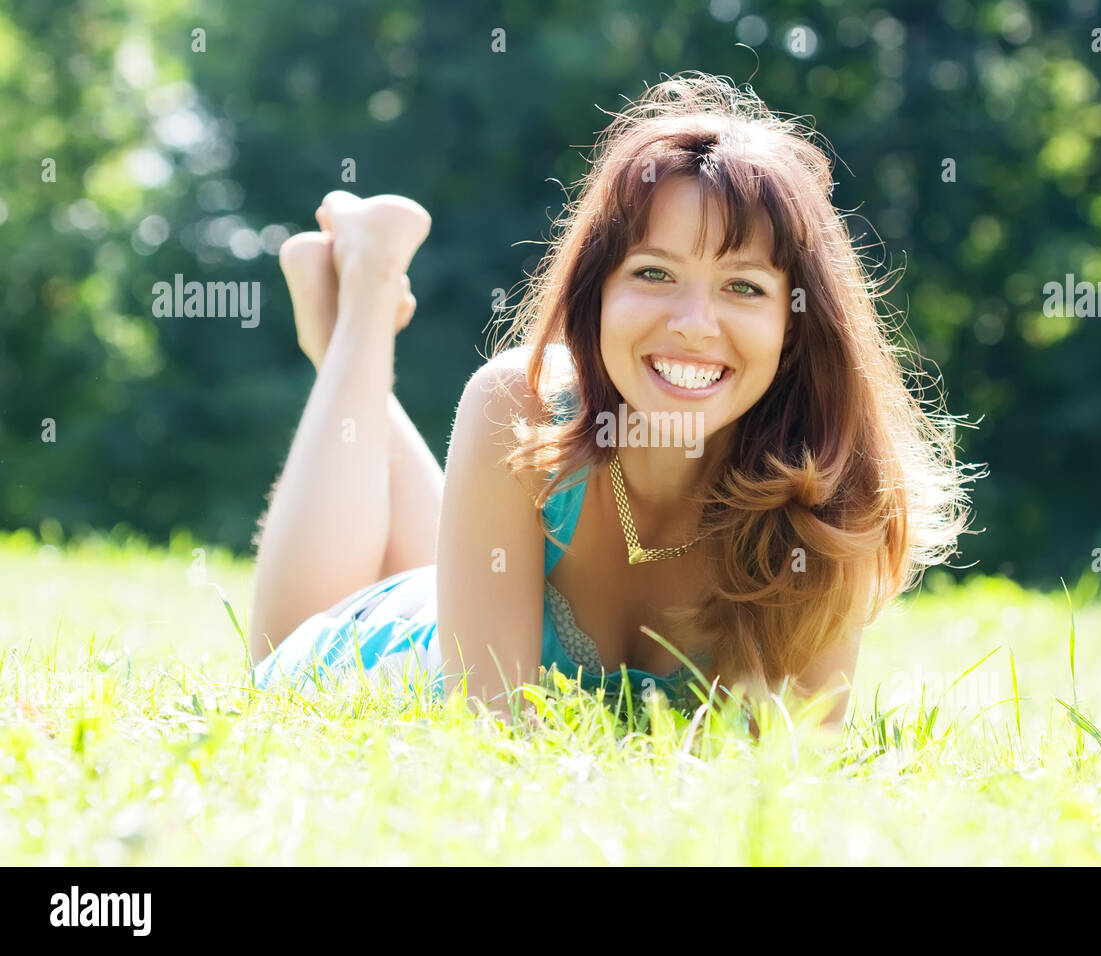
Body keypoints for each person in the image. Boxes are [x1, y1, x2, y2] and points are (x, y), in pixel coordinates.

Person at [247, 71, 976, 733]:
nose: (694, 324)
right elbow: (489, 735)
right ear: (594, 296)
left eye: (745, 286)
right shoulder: (519, 406)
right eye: (655, 274)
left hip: (464, 588)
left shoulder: (831, 493)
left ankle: (343, 340)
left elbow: (792, 763)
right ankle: (366, 301)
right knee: (276, 656)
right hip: (403, 647)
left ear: (797, 327)